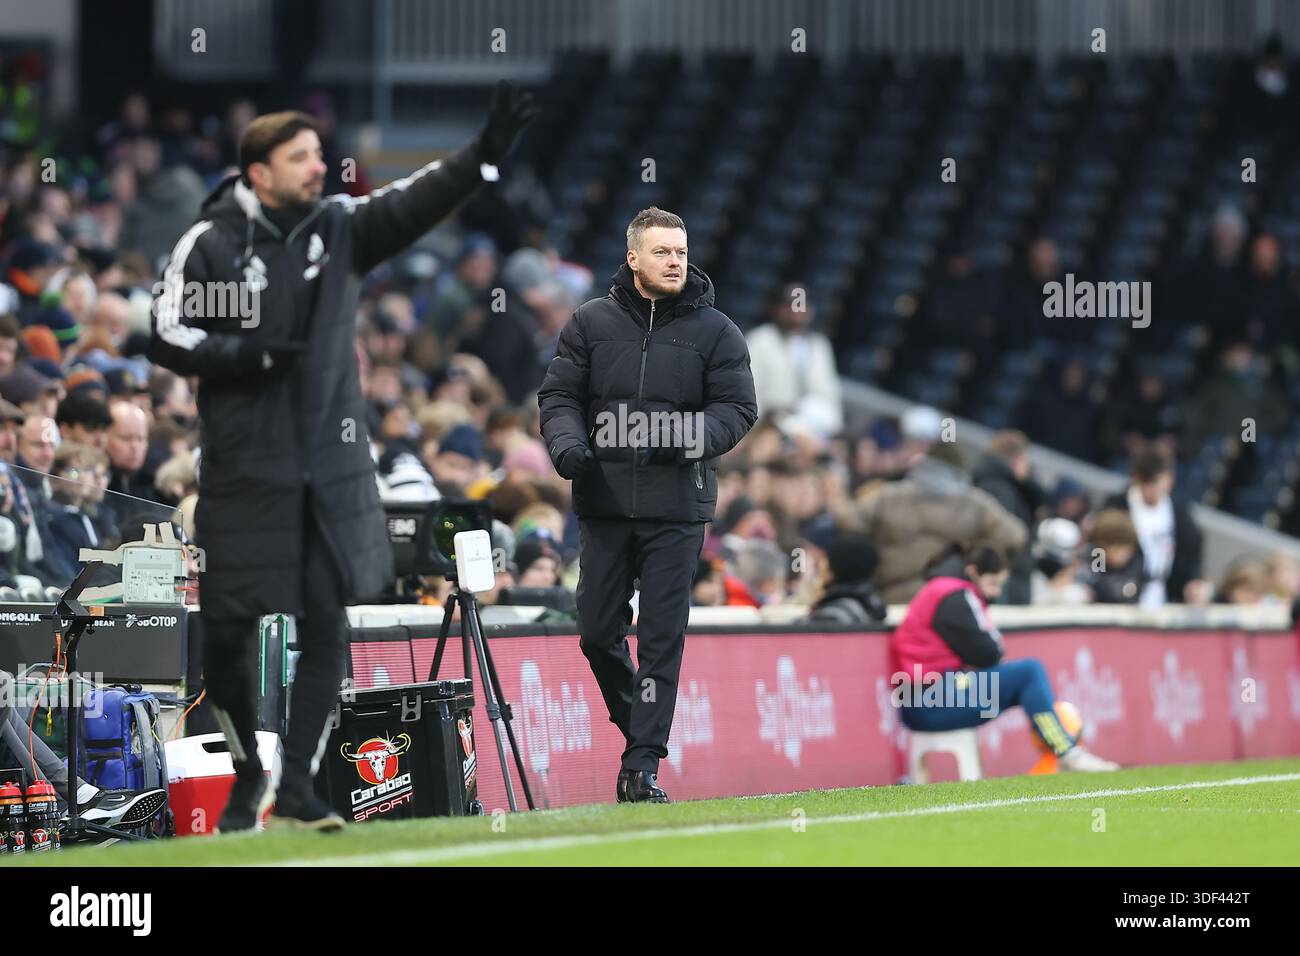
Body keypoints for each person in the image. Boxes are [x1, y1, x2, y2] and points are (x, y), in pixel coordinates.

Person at [147, 84, 538, 833]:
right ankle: (249, 767)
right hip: (244, 473)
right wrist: (252, 356)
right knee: (225, 640)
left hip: (329, 471)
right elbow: (167, 332)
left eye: (320, 153)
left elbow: (410, 201)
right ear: (258, 172)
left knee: (328, 624)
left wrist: (480, 154)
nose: (317, 166)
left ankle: (295, 785)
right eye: (300, 157)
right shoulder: (213, 242)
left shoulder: (340, 227)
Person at [538, 206, 757, 803]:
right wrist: (567, 447)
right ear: (633, 257)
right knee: (595, 631)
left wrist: (685, 441)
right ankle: (642, 729)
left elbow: (737, 411)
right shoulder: (588, 323)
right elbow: (558, 394)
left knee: (662, 638)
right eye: (662, 252)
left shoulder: (718, 332)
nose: (675, 261)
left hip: (676, 509)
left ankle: (641, 765)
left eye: (681, 252)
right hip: (604, 502)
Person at [891, 547, 1118, 771]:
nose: (995, 593)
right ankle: (1066, 750)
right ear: (972, 572)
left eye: (1001, 585)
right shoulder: (954, 595)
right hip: (928, 701)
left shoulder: (940, 590)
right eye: (992, 583)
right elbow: (989, 653)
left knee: (1023, 679)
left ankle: (1063, 748)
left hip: (925, 698)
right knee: (1028, 672)